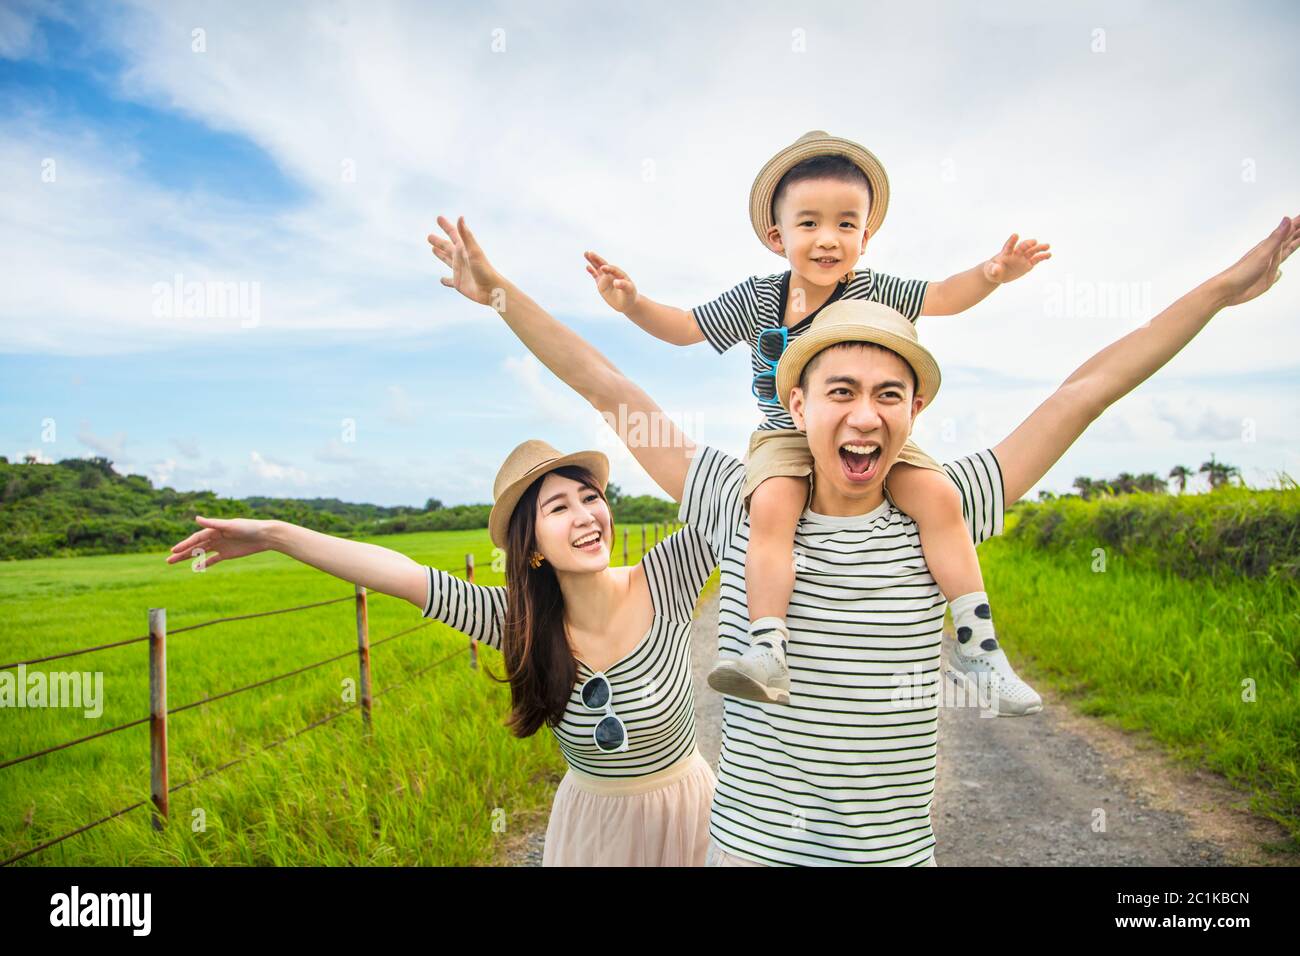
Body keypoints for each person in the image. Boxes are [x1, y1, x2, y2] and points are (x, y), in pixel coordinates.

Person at [428, 210, 1296, 865]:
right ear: (794, 406)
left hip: (889, 855)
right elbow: (607, 386)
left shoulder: (945, 506)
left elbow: (1087, 389)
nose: (865, 412)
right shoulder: (742, 500)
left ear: (916, 412)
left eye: (891, 392)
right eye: (839, 388)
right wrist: (498, 293)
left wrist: (1221, 291)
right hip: (751, 850)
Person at [578, 131, 1050, 714]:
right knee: (771, 508)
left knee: (938, 496)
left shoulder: (878, 291)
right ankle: (769, 646)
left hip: (871, 430)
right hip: (785, 436)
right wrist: (632, 304)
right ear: (778, 237)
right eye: (809, 224)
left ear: (866, 236)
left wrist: (993, 272)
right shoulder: (759, 299)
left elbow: (944, 296)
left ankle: (979, 648)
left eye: (846, 224)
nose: (828, 239)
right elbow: (684, 328)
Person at [165, 438, 719, 866]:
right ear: (531, 546)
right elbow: (403, 576)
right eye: (558, 507)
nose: (585, 515)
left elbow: (736, 500)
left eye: (591, 497)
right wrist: (273, 535)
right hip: (593, 831)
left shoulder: (665, 577)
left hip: (689, 817)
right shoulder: (515, 622)